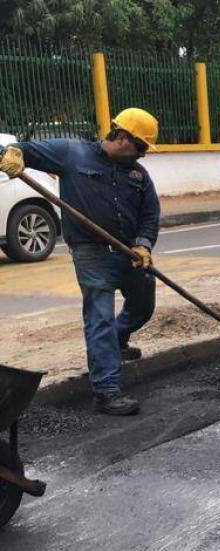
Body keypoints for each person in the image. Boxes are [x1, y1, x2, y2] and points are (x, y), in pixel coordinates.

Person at [0, 108, 160, 416]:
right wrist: (8, 156)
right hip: (91, 251)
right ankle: (106, 390)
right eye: (141, 147)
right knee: (99, 317)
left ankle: (117, 340)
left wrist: (143, 244)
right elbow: (16, 150)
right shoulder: (71, 153)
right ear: (124, 138)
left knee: (142, 306)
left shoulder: (139, 174)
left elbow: (150, 214)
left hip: (129, 252)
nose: (143, 155)